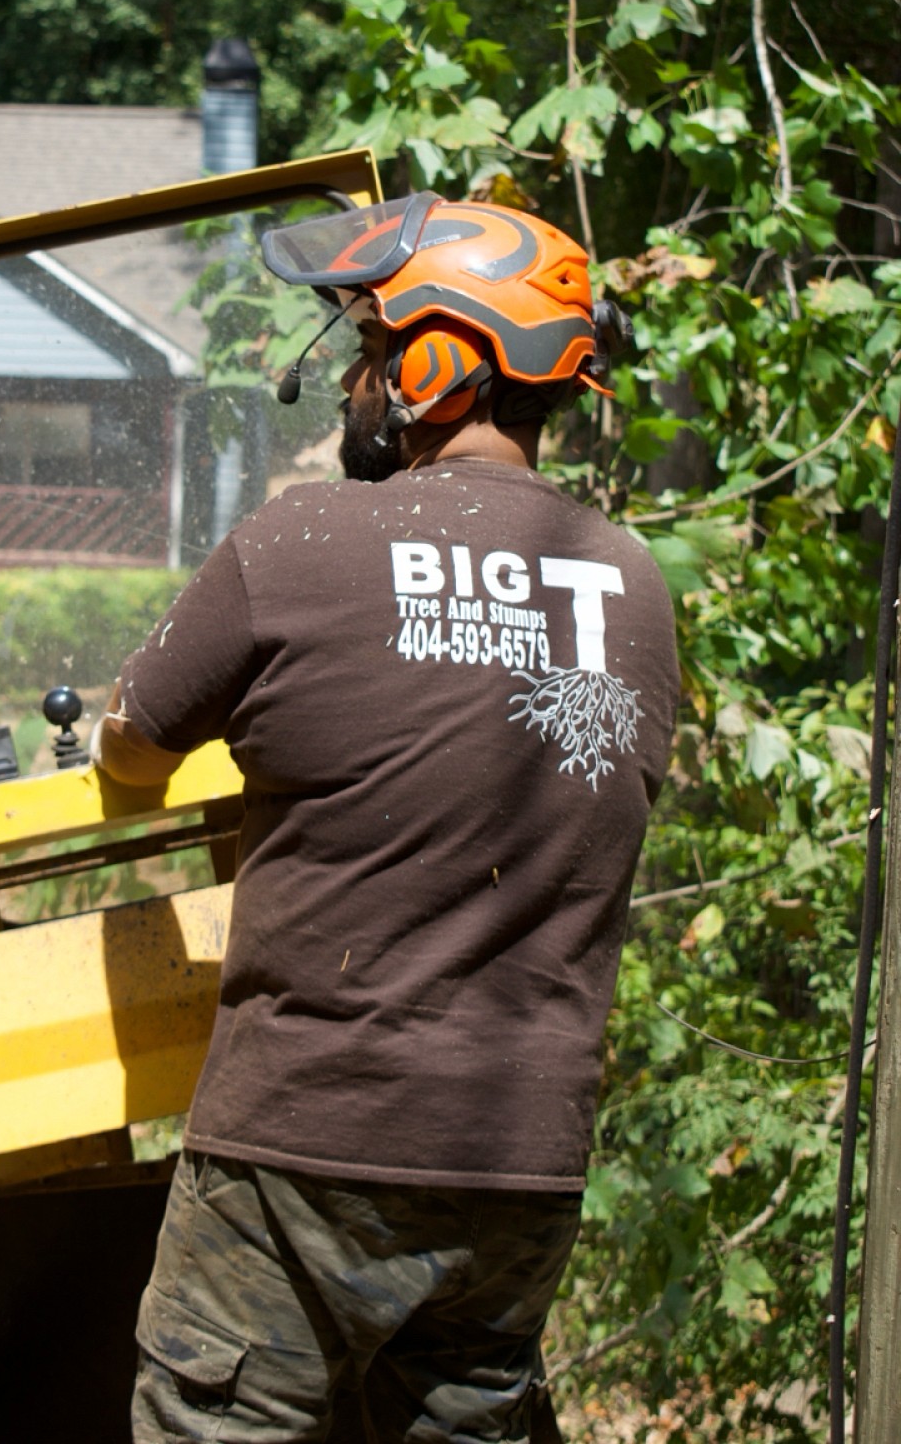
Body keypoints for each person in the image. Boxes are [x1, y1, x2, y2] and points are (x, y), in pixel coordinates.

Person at [97, 193, 680, 1444]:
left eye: (372, 349)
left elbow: (131, 750)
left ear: (438, 365)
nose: (359, 383)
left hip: (304, 1144)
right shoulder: (632, 584)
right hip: (521, 1170)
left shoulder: (300, 541)